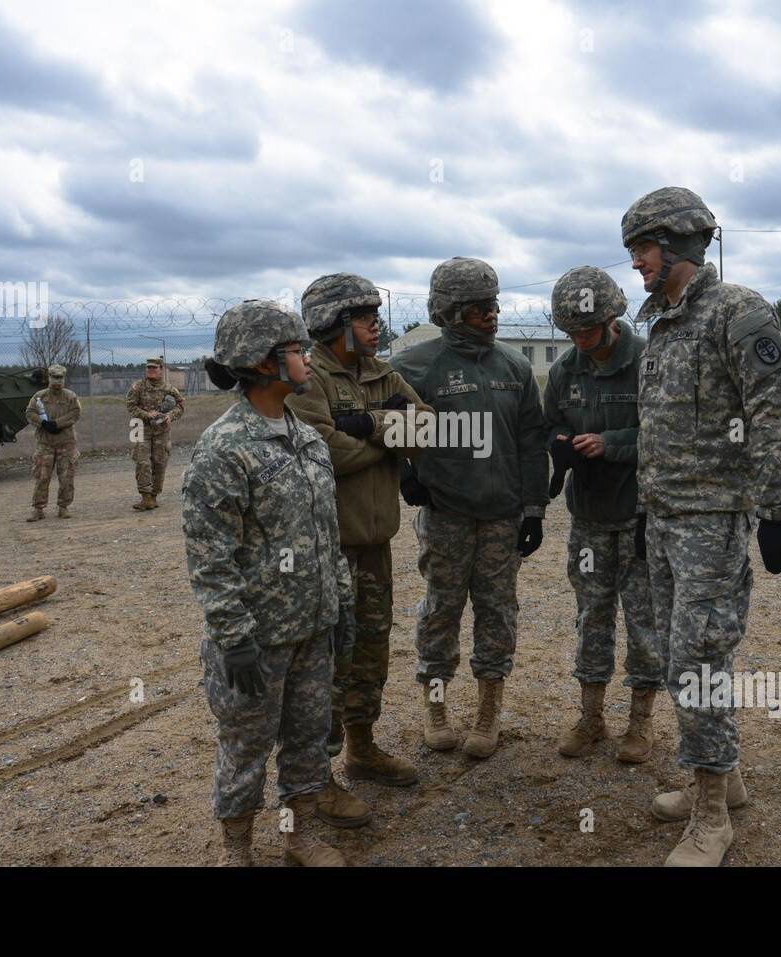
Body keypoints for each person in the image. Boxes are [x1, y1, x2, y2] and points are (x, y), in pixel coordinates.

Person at [625, 186, 781, 866]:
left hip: (713, 521)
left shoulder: (738, 311)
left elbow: (776, 411)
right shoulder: (660, 321)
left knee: (697, 660)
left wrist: (777, 510)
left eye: (642, 247)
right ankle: (723, 779)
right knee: (686, 659)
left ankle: (708, 818)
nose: (636, 261)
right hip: (666, 517)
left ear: (674, 245)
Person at [182, 299, 356, 867]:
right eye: (294, 350)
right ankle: (238, 849)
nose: (306, 358)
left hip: (313, 625)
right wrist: (233, 636)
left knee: (309, 738)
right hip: (258, 638)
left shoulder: (305, 437)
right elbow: (211, 557)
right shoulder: (223, 448)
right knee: (246, 745)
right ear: (261, 364)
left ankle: (299, 835)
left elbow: (326, 535)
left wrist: (341, 605)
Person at [392, 257, 549, 759]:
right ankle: (436, 706)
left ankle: (488, 711)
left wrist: (534, 509)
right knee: (441, 609)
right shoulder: (414, 367)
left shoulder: (514, 367)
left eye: (494, 304)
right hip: (446, 515)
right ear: (450, 311)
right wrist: (408, 478)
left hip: (502, 515)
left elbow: (530, 441)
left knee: (498, 610)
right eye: (480, 307)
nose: (492, 314)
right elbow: (391, 432)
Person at [288, 274, 433, 811]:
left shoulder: (381, 371)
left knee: (371, 649)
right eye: (365, 316)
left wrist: (367, 423)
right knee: (327, 662)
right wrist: (390, 438)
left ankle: (361, 747)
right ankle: (314, 776)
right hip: (328, 548)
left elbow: (431, 431)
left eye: (376, 314)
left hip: (374, 545)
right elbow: (324, 452)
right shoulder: (307, 378)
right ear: (335, 324)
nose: (377, 323)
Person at [543, 266, 664, 763]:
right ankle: (591, 716)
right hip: (589, 519)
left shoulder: (648, 361)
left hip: (639, 518)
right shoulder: (565, 371)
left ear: (613, 318)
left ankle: (641, 721)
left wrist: (610, 444)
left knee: (643, 621)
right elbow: (548, 427)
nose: (581, 340)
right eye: (572, 333)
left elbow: (667, 433)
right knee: (591, 616)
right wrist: (560, 447)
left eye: (588, 330)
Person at [126, 356, 185, 511]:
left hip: (161, 431)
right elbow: (131, 406)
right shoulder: (137, 387)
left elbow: (180, 406)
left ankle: (154, 497)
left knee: (159, 462)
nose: (151, 370)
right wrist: (147, 415)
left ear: (160, 370)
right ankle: (145, 497)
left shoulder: (169, 389)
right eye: (148, 368)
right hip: (139, 427)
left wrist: (169, 416)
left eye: (154, 368)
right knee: (142, 461)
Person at [25, 363, 82, 521]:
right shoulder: (39, 396)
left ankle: (63, 507)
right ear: (49, 378)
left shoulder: (70, 396)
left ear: (64, 378)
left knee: (66, 478)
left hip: (66, 443)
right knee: (42, 477)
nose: (57, 381)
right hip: (46, 444)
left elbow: (76, 413)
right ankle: (38, 509)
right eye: (54, 377)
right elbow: (30, 413)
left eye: (60, 377)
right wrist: (43, 424)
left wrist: (57, 424)